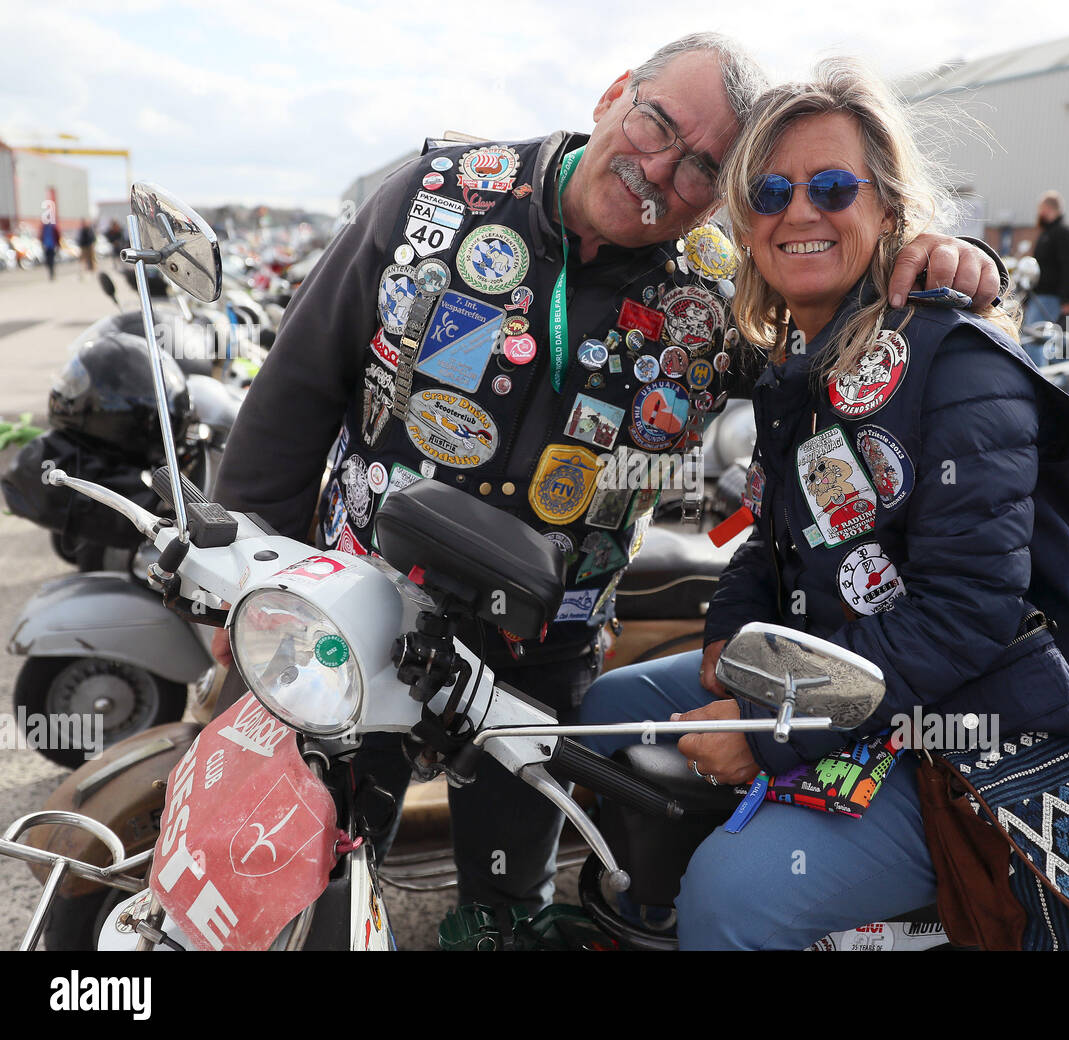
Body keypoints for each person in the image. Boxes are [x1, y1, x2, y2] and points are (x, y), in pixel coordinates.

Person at [210, 33, 1002, 914]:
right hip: (353, 618)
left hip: (542, 653)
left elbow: (838, 298)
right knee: (280, 868)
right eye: (656, 122)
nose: (659, 169)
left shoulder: (727, 285)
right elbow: (297, 387)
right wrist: (251, 571)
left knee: (506, 904)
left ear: (722, 201)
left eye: (704, 168)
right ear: (616, 93)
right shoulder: (437, 190)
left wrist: (936, 255)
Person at [578, 58, 1069, 949]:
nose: (799, 210)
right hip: (833, 668)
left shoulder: (960, 362)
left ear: (890, 209)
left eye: (832, 185)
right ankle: (646, 918)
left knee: (733, 897)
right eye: (769, 189)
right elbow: (764, 543)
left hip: (966, 729)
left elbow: (965, 619)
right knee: (607, 713)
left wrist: (766, 736)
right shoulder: (806, 364)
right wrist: (725, 649)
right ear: (744, 222)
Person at [1029, 189, 1069, 324]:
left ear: (1048, 209)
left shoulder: (1063, 234)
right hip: (1040, 295)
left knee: (1039, 337)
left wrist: (1068, 299)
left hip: (1052, 296)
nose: (1039, 213)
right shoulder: (1047, 233)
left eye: (1041, 209)